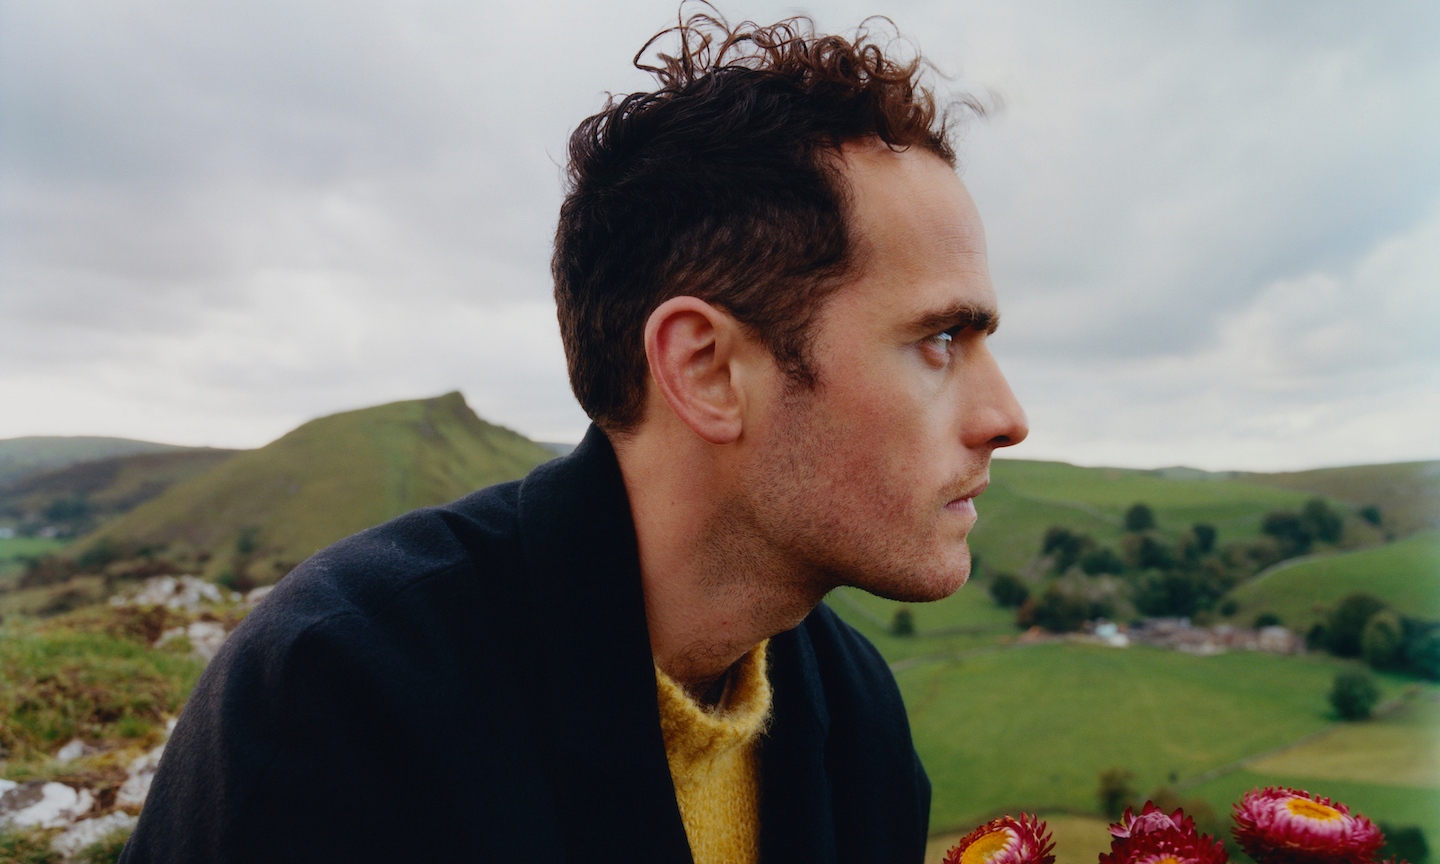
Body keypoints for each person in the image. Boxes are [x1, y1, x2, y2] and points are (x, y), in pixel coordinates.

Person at [120, 11, 1027, 864]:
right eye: (939, 339)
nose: (1008, 418)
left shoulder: (857, 717)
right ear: (706, 369)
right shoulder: (343, 698)